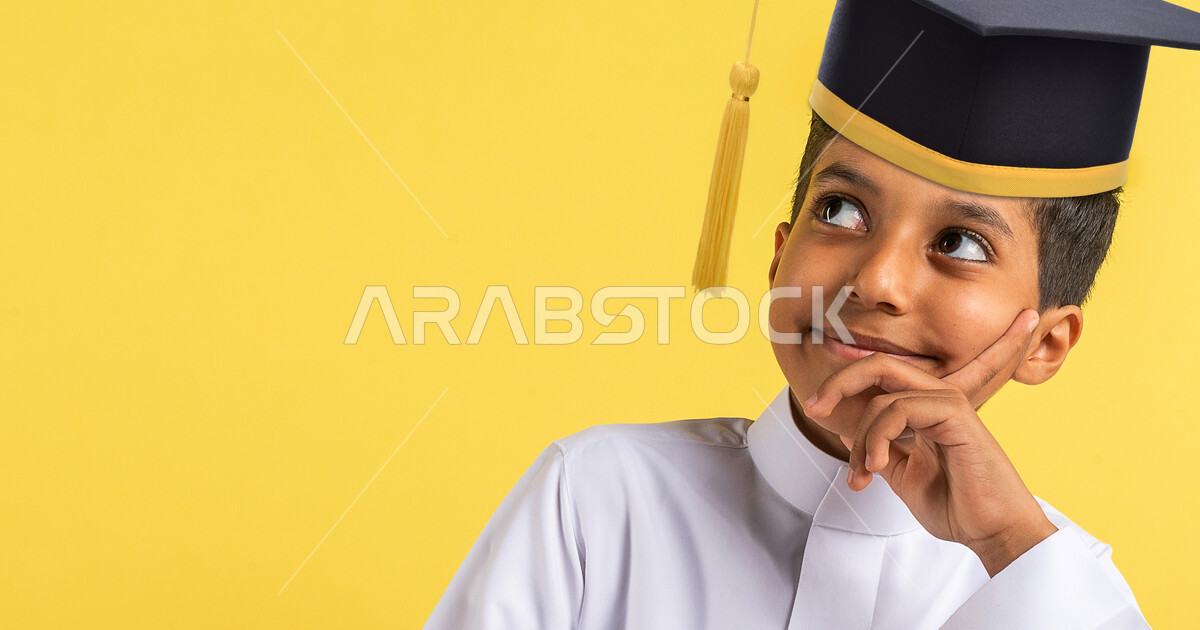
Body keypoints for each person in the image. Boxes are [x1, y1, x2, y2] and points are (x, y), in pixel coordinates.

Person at [426, 0, 1199, 627]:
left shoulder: (1057, 588)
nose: (878, 281)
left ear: (1048, 343)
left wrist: (1008, 544)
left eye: (959, 242)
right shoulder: (597, 503)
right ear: (778, 257)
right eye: (843, 209)